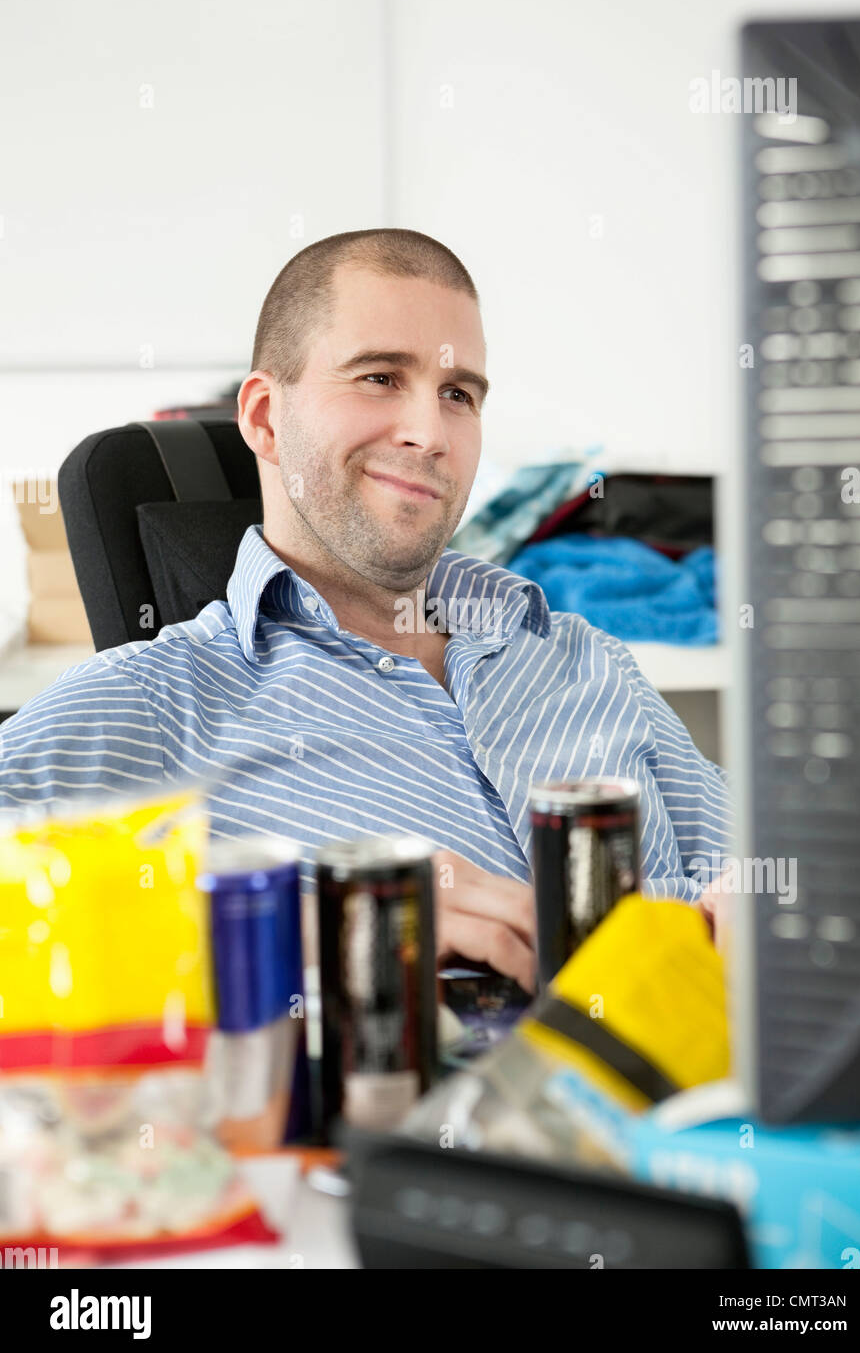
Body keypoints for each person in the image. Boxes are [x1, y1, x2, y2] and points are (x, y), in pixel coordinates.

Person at [0, 229, 731, 990]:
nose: (430, 433)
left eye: (458, 395)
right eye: (380, 377)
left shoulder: (580, 655)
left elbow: (754, 871)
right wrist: (307, 931)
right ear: (264, 419)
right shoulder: (155, 701)